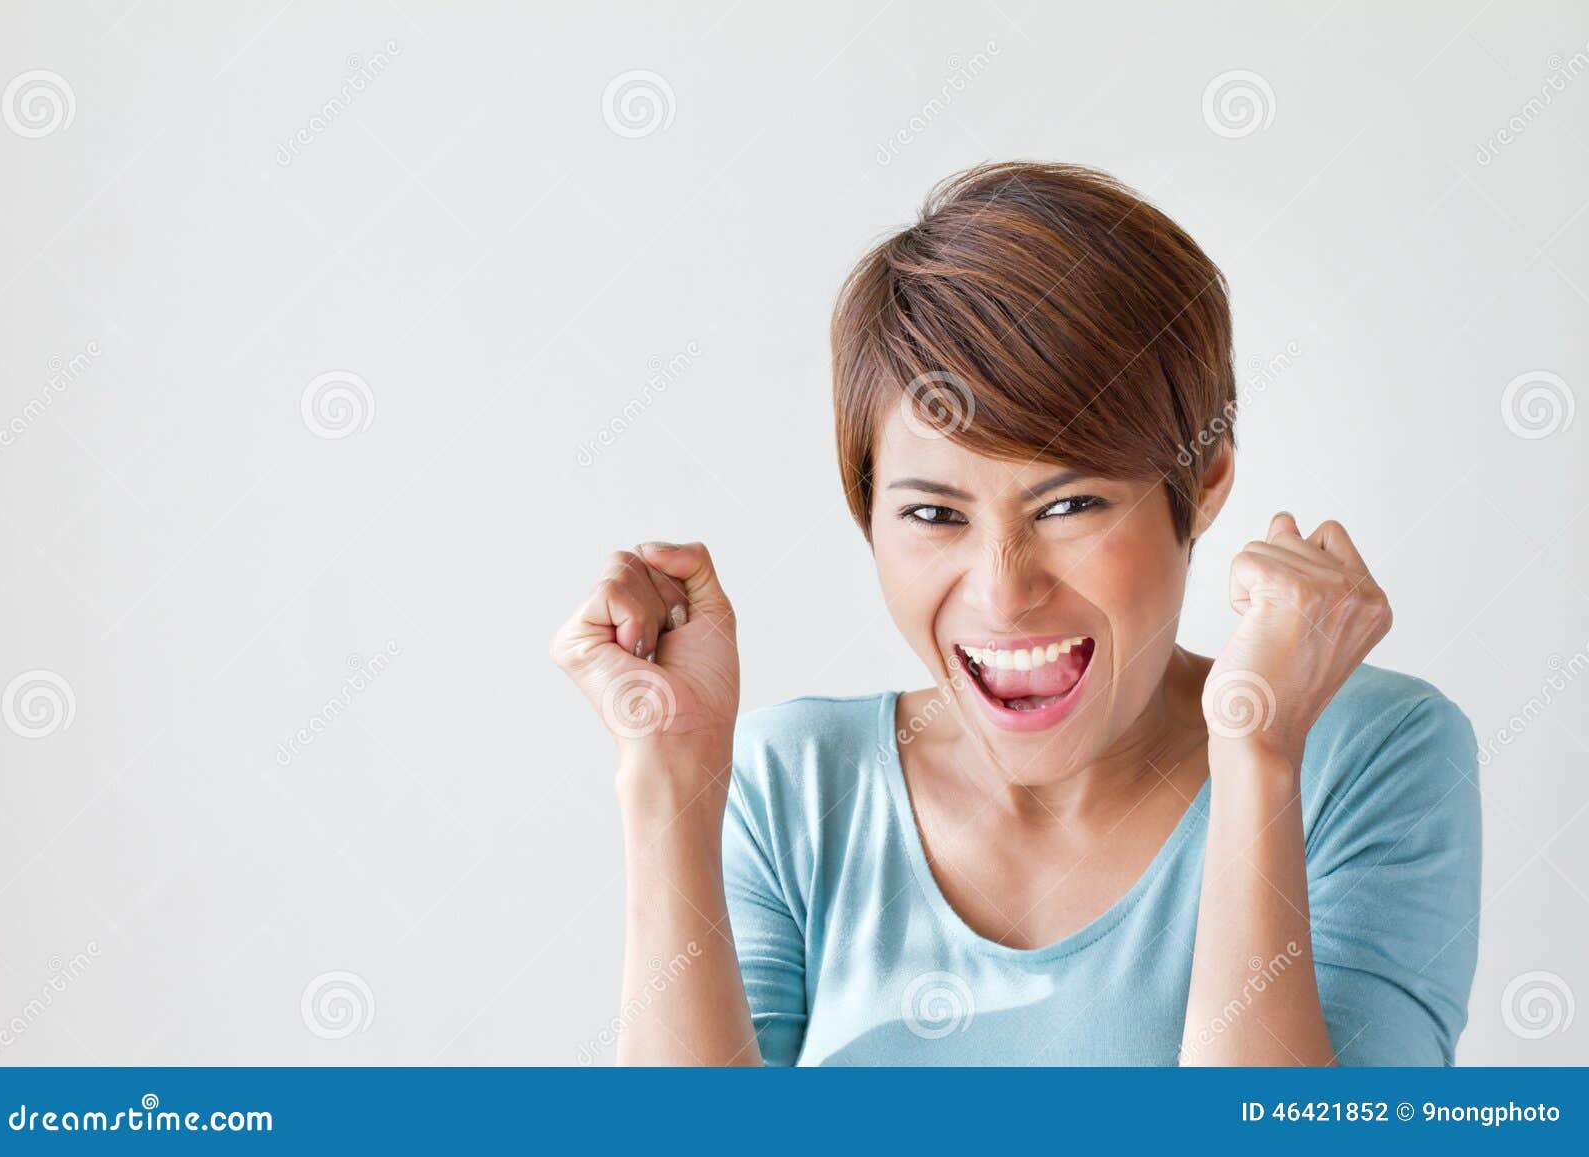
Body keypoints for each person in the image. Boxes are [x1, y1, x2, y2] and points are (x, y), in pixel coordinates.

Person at [552, 162, 1481, 1066]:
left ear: (1203, 481)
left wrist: (1259, 752)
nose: (1002, 590)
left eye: (1069, 506)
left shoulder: (1365, 755)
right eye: (933, 514)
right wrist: (669, 772)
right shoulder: (793, 790)